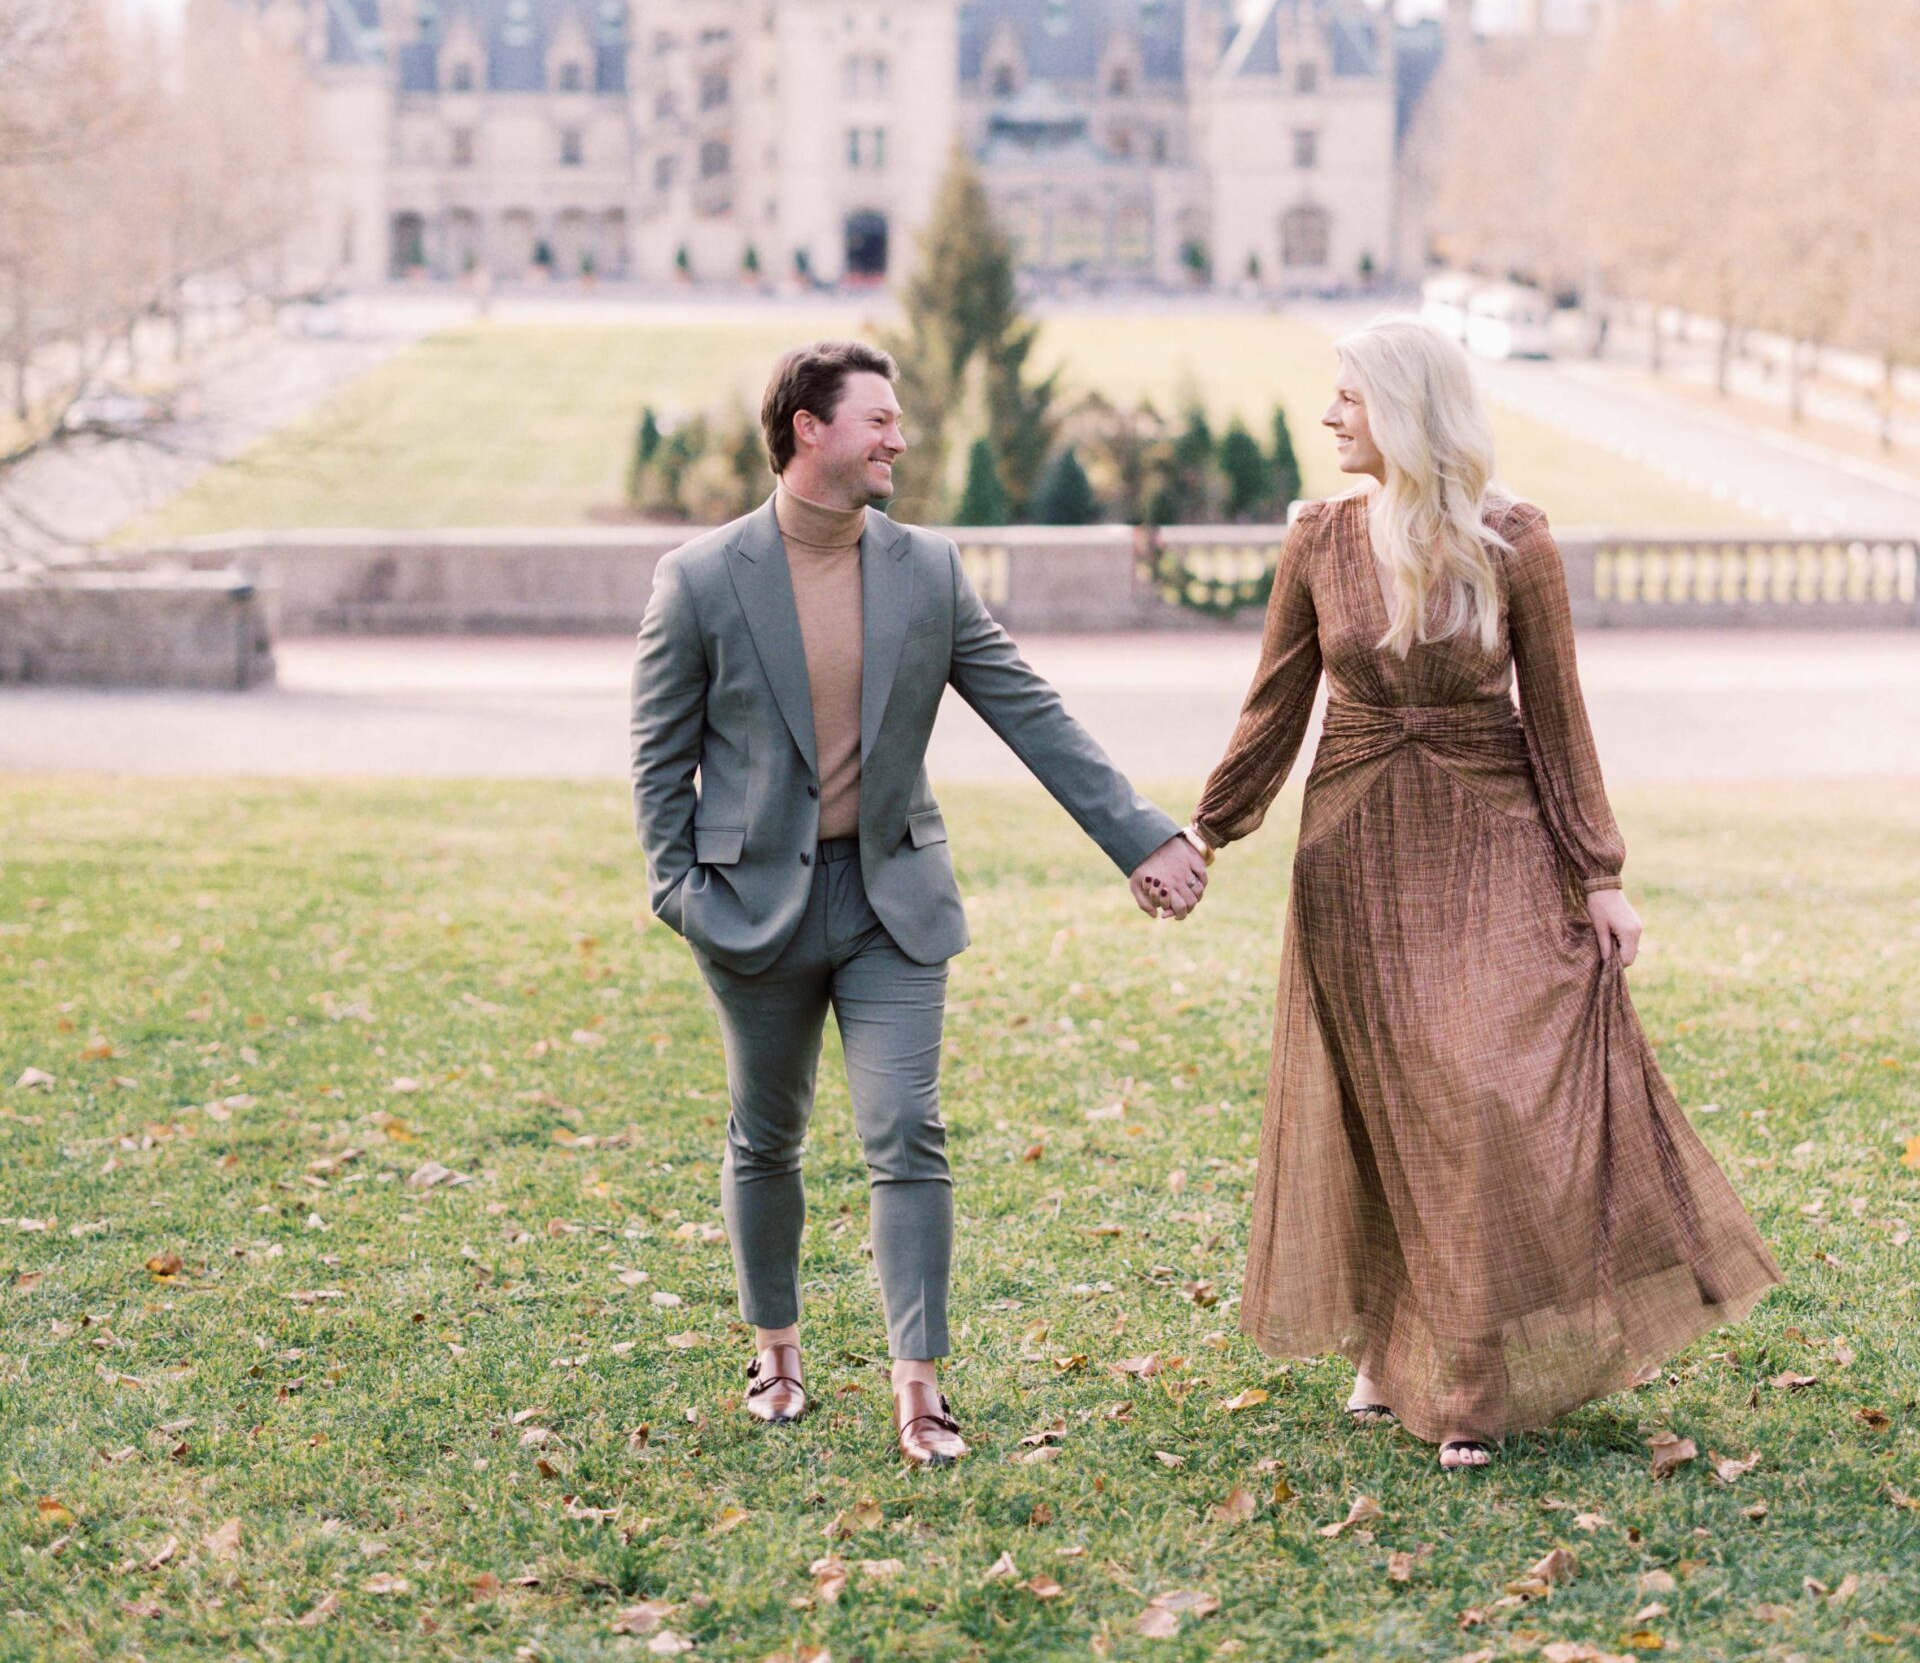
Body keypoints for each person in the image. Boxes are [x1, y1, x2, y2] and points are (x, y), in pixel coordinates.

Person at [1186, 315, 1778, 1469]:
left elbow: (1559, 718)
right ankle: (1389, 1347)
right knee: (1386, 1106)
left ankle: (1467, 1377)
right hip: (1355, 851)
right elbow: (1274, 707)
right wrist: (1207, 829)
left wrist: (1597, 872)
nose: (1328, 419)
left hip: (1495, 840)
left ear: (1407, 408)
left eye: (1348, 399)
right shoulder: (1318, 536)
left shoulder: (1516, 540)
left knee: (1480, 1095)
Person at [630, 341, 1207, 1468]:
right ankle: (778, 1350)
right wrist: (681, 893)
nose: (900, 437)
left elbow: (1029, 711)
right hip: (752, 908)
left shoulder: (927, 569)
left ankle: (919, 1385)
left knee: (906, 1129)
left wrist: (1140, 835)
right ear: (809, 427)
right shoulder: (700, 578)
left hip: (894, 902)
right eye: (879, 419)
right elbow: (658, 762)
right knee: (769, 1133)